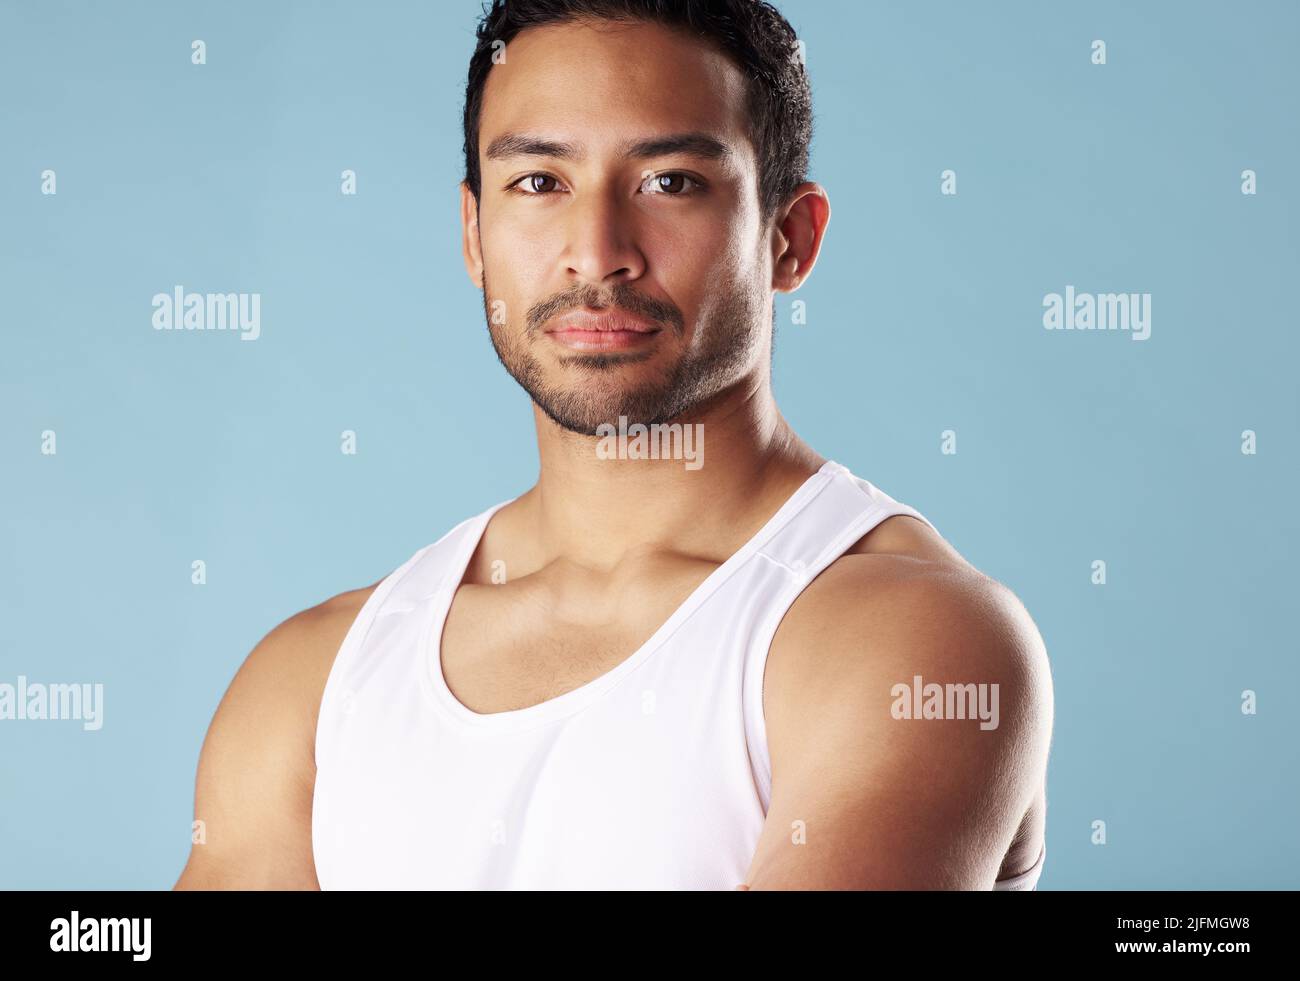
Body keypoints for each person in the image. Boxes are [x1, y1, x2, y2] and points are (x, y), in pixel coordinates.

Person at [175, 0, 1053, 891]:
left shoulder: (909, 638)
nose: (596, 255)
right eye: (540, 183)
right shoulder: (316, 679)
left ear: (790, 239)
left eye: (669, 181)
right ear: (474, 235)